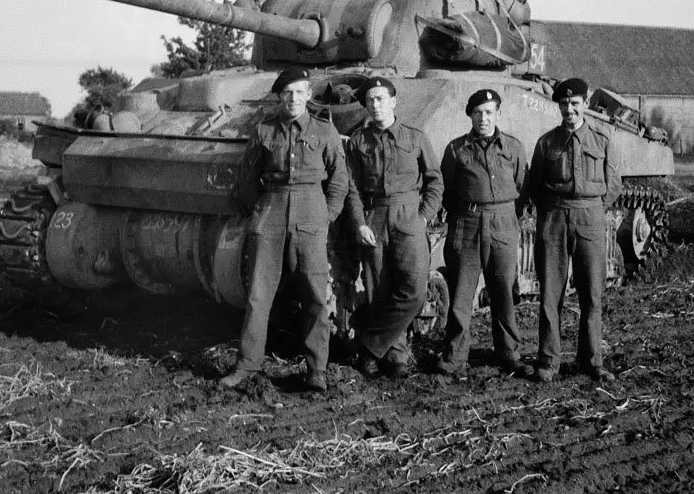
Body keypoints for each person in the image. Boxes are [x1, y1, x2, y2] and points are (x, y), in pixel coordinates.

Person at [220, 68, 348, 392]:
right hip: (271, 212)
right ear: (280, 97)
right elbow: (247, 179)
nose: (293, 99)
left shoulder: (325, 132)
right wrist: (260, 212)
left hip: (311, 213)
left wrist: (325, 217)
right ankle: (246, 366)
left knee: (316, 296)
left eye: (299, 92)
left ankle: (316, 369)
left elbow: (339, 181)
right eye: (287, 93)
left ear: (308, 96)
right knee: (258, 295)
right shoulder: (264, 130)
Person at [344, 77, 443, 378]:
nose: (375, 104)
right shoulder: (359, 142)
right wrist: (360, 223)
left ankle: (369, 344)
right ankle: (395, 355)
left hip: (408, 215)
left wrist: (424, 217)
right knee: (378, 291)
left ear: (394, 101)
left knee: (413, 290)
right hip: (374, 216)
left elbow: (435, 181)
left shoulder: (414, 137)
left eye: (380, 98)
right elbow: (351, 188)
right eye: (370, 100)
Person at [528, 78, 621, 383]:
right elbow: (536, 187)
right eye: (564, 104)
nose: (569, 109)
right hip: (554, 217)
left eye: (575, 103)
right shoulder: (546, 143)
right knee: (550, 294)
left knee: (592, 293)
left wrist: (590, 208)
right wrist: (556, 208)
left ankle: (591, 360)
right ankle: (548, 361)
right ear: (559, 106)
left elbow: (613, 185)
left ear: (585, 103)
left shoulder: (602, 140)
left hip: (590, 217)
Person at [437, 89, 530, 376]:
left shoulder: (513, 147)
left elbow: (522, 187)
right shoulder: (456, 150)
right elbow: (448, 190)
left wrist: (505, 215)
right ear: (470, 116)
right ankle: (455, 356)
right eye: (478, 112)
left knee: (503, 290)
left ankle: (509, 352)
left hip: (502, 221)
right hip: (467, 222)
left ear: (498, 114)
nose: (484, 118)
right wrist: (467, 213)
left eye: (489, 112)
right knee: (462, 293)